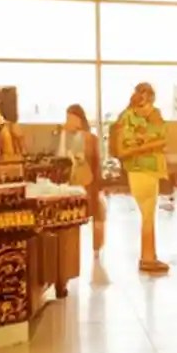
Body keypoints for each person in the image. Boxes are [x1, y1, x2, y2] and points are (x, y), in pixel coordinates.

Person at [111, 82, 170, 273]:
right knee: (147, 215)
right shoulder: (128, 118)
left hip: (151, 170)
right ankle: (147, 257)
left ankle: (149, 255)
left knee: (149, 215)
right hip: (140, 170)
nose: (149, 106)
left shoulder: (153, 115)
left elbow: (164, 138)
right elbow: (122, 150)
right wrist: (149, 147)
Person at [64, 104, 105, 255]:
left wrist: (98, 183)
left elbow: (96, 162)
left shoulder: (89, 138)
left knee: (96, 213)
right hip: (72, 182)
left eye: (71, 118)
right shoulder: (64, 136)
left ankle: (96, 248)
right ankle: (75, 251)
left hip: (87, 181)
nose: (68, 121)